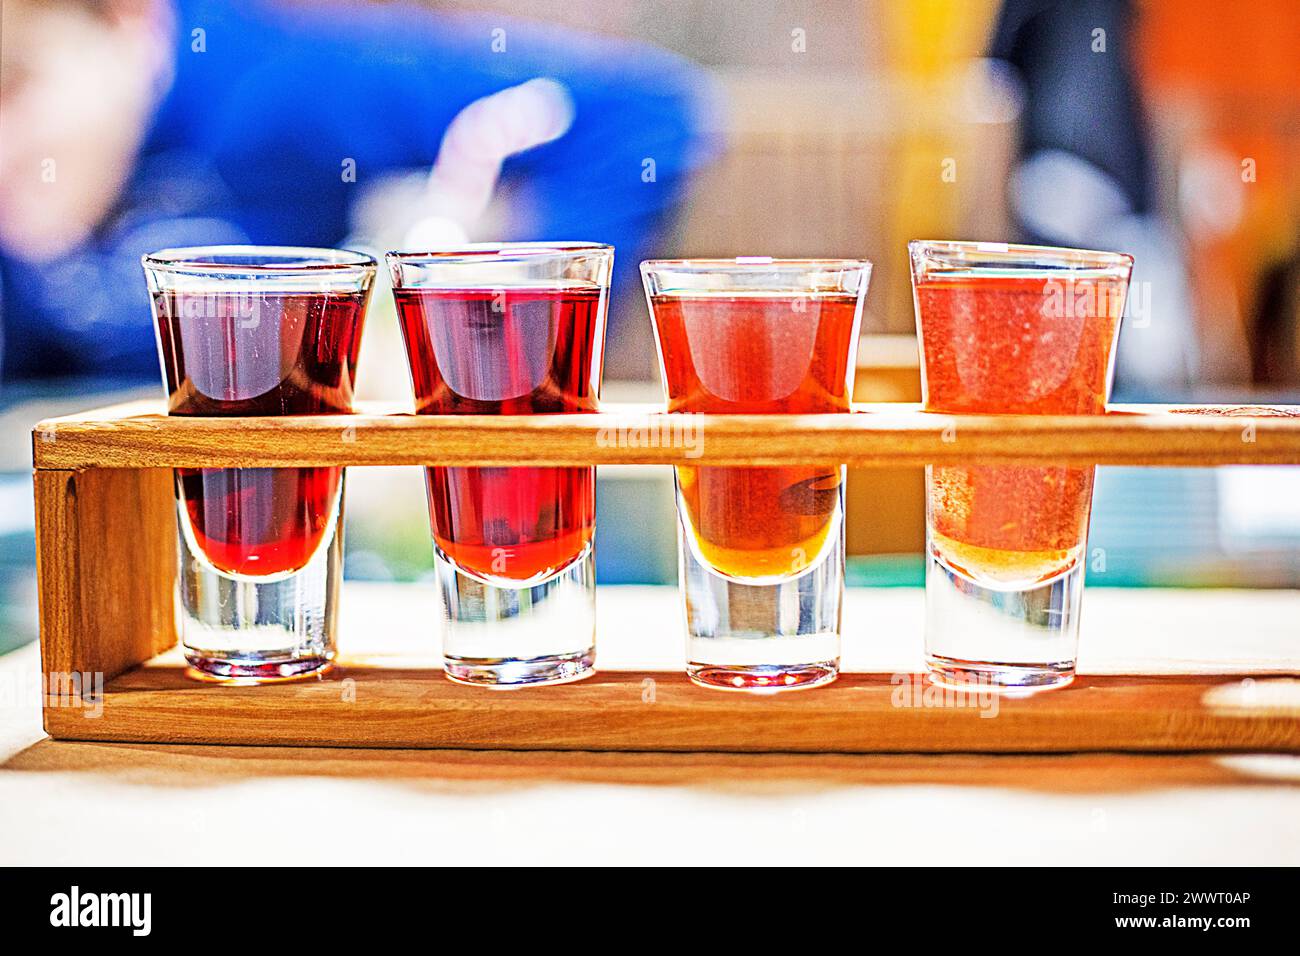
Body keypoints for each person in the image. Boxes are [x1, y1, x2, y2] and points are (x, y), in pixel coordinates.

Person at [0, 0, 716, 386]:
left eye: (15, 87)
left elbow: (638, 110)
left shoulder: (282, 87)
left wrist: (497, 368)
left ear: (128, 18)